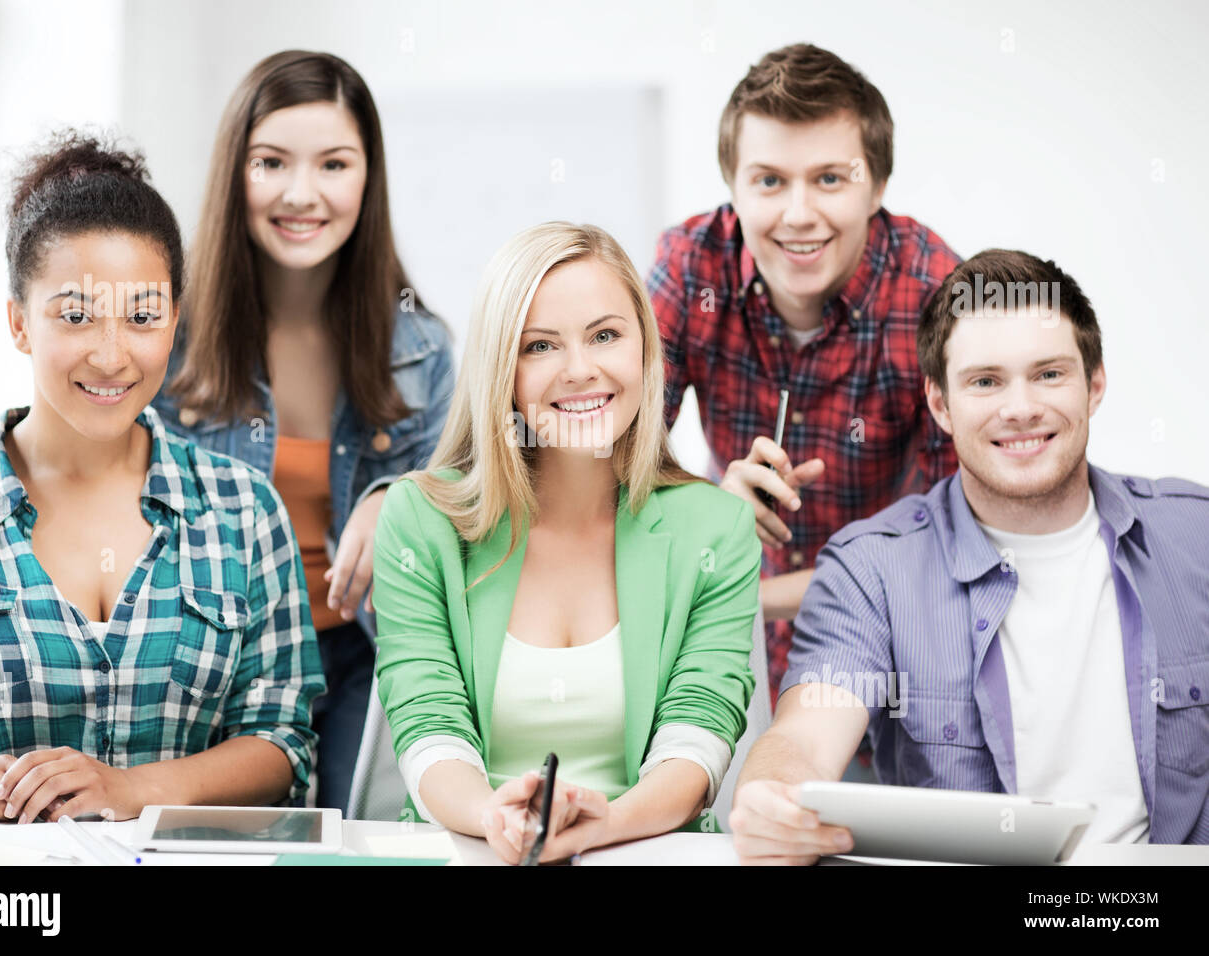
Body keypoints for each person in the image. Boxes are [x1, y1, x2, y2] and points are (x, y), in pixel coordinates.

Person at [730, 249, 1209, 863]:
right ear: (940, 404)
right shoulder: (871, 571)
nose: (1020, 408)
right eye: (985, 381)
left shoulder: (1195, 534)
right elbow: (804, 737)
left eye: (1049, 374)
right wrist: (774, 798)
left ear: (1094, 386)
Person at [0, 132, 324, 824]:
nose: (111, 355)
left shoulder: (244, 510)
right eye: (75, 315)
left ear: (174, 321)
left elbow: (283, 741)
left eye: (141, 316)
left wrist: (138, 789)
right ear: (18, 324)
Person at [371, 222, 760, 864]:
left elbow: (698, 739)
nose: (581, 370)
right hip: (468, 849)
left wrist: (597, 828)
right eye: (541, 346)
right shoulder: (420, 518)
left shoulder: (716, 528)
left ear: (644, 349)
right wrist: (490, 817)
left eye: (606, 335)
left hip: (644, 850)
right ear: (502, 369)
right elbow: (426, 719)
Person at [149, 51, 455, 811]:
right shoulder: (166, 340)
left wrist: (402, 497)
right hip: (218, 668)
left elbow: (465, 510)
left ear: (367, 177)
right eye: (271, 162)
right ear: (235, 173)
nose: (301, 193)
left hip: (365, 654)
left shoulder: (421, 348)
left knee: (368, 843)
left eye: (334, 164)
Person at [647, 43, 961, 697]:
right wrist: (701, 513)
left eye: (829, 179)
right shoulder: (689, 268)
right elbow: (607, 465)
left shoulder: (935, 289)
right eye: (769, 181)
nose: (797, 214)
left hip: (889, 636)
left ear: (875, 187)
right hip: (724, 651)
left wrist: (740, 592)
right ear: (732, 187)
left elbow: (950, 541)